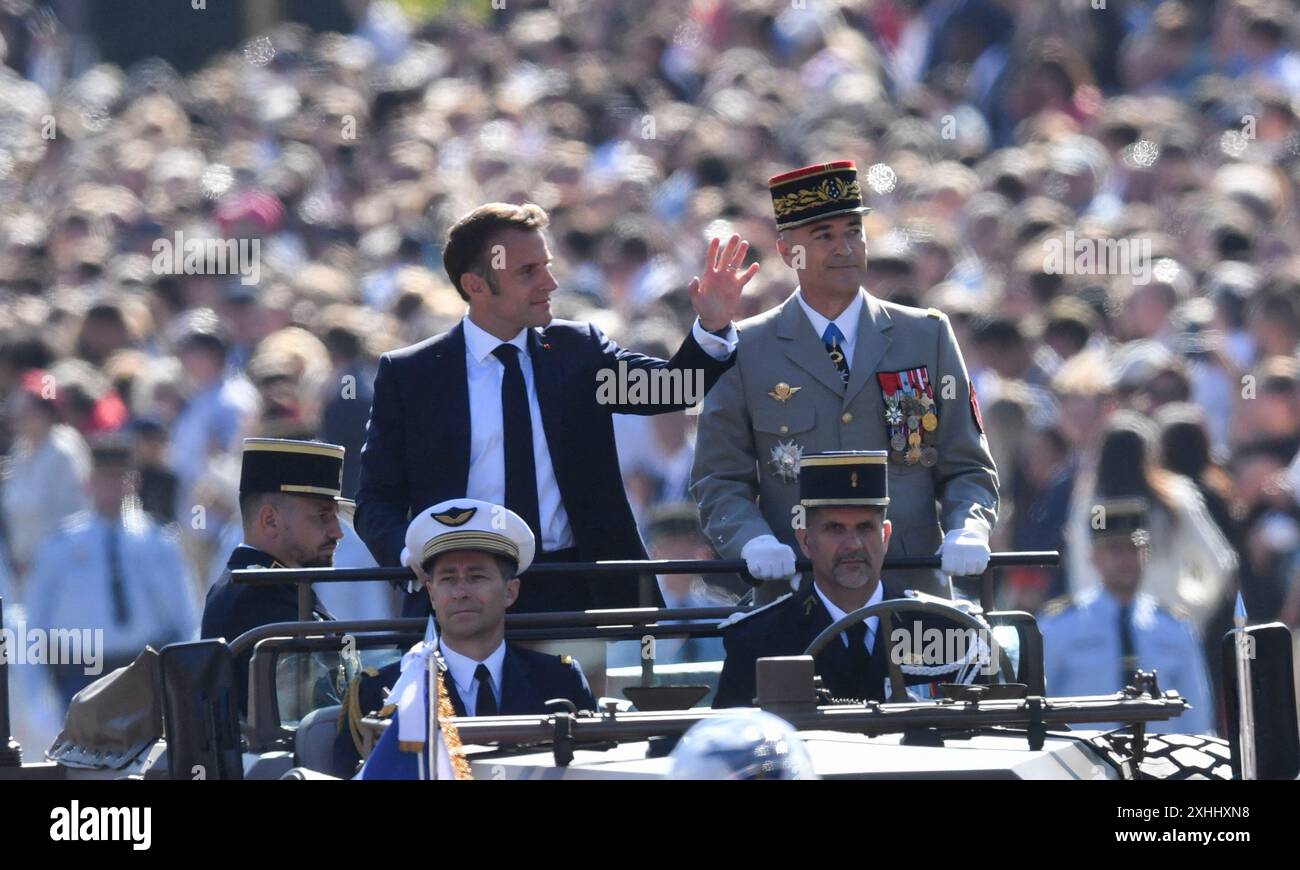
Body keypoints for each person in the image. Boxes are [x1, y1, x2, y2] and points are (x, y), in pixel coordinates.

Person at [354, 202, 753, 616]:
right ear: (475, 285)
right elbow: (376, 499)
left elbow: (670, 390)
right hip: (459, 592)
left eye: (546, 265)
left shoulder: (576, 352)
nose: (550, 283)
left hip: (575, 592)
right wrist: (411, 555)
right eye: (528, 272)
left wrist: (710, 328)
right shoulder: (413, 374)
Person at [691, 161, 999, 605]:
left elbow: (968, 465)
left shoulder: (925, 336)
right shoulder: (745, 350)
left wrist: (968, 526)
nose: (845, 248)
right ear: (786, 252)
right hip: (796, 596)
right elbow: (719, 479)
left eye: (854, 231)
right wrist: (751, 541)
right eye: (824, 237)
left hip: (910, 592)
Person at [714, 451, 994, 709]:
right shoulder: (761, 641)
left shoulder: (946, 630)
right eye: (835, 528)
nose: (853, 544)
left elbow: (991, 737)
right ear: (805, 540)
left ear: (885, 536)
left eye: (865, 527)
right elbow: (732, 747)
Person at [354, 498, 597, 779]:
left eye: (476, 576)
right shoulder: (384, 690)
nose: (460, 592)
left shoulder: (560, 681)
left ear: (510, 591)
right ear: (431, 593)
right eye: (447, 579)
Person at [26, 437, 198, 706]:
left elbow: (184, 614)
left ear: (134, 482)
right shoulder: (61, 544)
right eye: (104, 478)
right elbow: (36, 619)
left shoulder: (158, 541)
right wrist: (35, 695)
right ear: (89, 482)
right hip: (80, 672)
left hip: (142, 668)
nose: (111, 486)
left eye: (119, 478)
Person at [1040, 497, 1214, 735]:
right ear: (1094, 557)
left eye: (1134, 550)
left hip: (1160, 764)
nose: (1125, 561)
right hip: (1083, 764)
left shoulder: (1175, 628)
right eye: (1114, 550)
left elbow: (1197, 716)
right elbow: (1038, 707)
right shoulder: (1060, 627)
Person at [200, 438, 348, 715]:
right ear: (270, 521)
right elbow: (311, 712)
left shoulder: (275, 585)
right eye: (322, 516)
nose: (337, 532)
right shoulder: (258, 596)